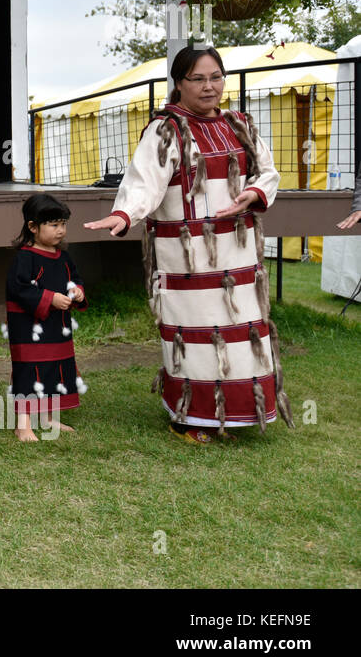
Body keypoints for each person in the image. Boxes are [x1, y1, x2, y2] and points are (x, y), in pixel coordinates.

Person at [85, 45, 290, 444]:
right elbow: (145, 182)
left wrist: (254, 192)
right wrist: (124, 213)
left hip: (239, 252)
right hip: (188, 258)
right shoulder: (167, 129)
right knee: (195, 334)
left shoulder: (240, 124)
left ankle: (235, 412)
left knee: (241, 330)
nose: (209, 87)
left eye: (215, 77)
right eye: (198, 79)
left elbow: (269, 173)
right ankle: (190, 418)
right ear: (179, 83)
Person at [5, 193, 87, 441]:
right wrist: (50, 298)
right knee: (30, 372)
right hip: (29, 329)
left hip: (56, 326)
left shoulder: (63, 257)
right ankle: (23, 424)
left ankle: (49, 418)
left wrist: (78, 291)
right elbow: (18, 288)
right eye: (53, 225)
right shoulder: (25, 257)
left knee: (55, 369)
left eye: (63, 224)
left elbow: (75, 278)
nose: (60, 230)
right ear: (32, 226)